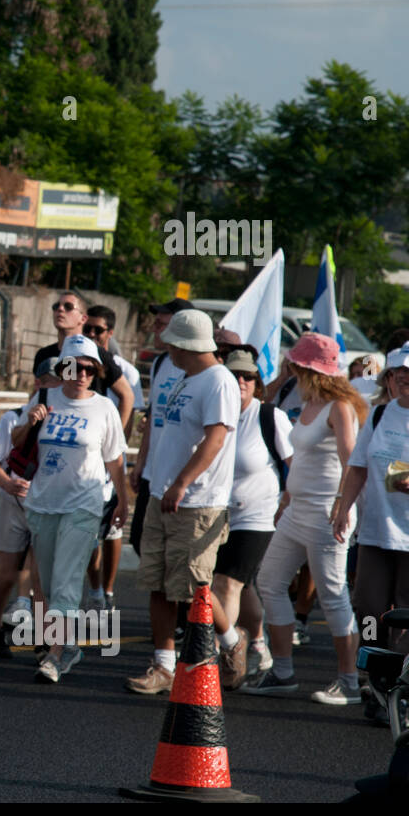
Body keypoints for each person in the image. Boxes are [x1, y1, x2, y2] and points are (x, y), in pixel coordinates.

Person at [244, 333, 365, 704]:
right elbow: (306, 461)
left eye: (294, 365)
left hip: (328, 512)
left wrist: (342, 507)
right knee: (270, 580)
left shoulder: (339, 407)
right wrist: (287, 496)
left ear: (308, 369)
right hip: (298, 509)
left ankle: (349, 682)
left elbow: (351, 461)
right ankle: (282, 672)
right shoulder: (311, 401)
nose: (290, 369)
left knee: (332, 595)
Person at [125, 310, 240, 696]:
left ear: (186, 346)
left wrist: (181, 484)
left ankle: (232, 643)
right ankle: (163, 665)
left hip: (198, 501)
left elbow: (215, 440)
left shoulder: (219, 381)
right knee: (156, 582)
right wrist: (150, 475)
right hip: (162, 494)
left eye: (172, 343)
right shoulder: (177, 375)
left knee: (193, 588)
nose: (167, 349)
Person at [13, 335, 127, 683]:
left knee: (66, 580)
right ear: (63, 367)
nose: (81, 374)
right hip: (44, 502)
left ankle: (56, 654)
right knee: (46, 584)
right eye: (74, 366)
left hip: (84, 504)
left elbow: (115, 459)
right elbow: (16, 443)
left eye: (89, 369)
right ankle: (69, 644)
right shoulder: (45, 397)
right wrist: (29, 422)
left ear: (97, 372)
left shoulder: (104, 408)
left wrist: (123, 500)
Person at [211, 348, 293, 688]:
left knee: (226, 583)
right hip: (217, 513)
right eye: (234, 376)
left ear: (257, 383)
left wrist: (287, 502)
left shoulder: (269, 416)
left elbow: (294, 465)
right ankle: (256, 643)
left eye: (248, 377)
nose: (241, 382)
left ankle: (221, 655)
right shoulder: (215, 413)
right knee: (240, 587)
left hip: (259, 515)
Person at [336, 341, 409, 660]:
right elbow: (358, 468)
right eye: (397, 370)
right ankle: (373, 659)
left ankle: (405, 671)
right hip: (376, 530)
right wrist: (343, 509)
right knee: (369, 607)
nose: (401, 376)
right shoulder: (380, 413)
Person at [0, 357, 58, 656]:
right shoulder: (13, 417)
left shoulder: (67, 420)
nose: (59, 386)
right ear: (39, 383)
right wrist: (6, 484)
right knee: (8, 575)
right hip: (13, 502)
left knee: (42, 577)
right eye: (52, 380)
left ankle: (45, 641)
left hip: (46, 506)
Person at [81, 304, 141, 612]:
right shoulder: (78, 361)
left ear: (110, 333)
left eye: (98, 330)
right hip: (85, 456)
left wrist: (116, 444)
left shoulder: (124, 371)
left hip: (110, 456)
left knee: (112, 530)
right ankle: (93, 590)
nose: (91, 334)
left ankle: (107, 589)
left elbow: (130, 408)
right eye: (87, 328)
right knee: (92, 532)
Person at [128, 297, 193, 557]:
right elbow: (154, 414)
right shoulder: (159, 363)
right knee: (139, 539)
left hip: (179, 474)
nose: (155, 329)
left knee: (173, 552)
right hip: (152, 472)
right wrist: (141, 461)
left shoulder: (196, 368)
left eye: (161, 324)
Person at [32, 291, 135, 432]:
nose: (60, 310)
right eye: (57, 306)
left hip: (86, 435)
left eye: (68, 307)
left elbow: (127, 395)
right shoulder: (44, 354)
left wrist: (115, 438)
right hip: (49, 434)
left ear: (83, 318)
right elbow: (36, 392)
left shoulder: (97, 354)